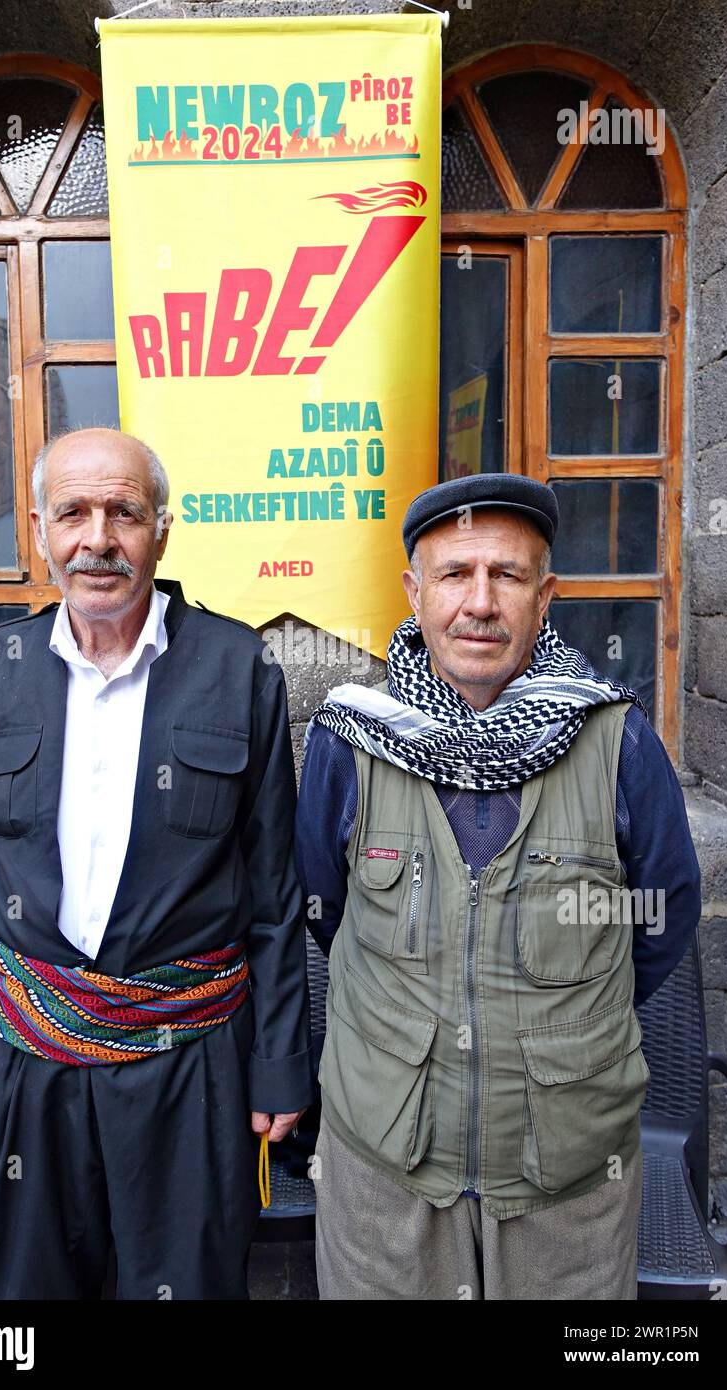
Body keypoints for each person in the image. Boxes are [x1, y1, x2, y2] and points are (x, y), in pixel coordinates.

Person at [0, 426, 314, 1300]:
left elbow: (277, 896)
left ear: (161, 530)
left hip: (190, 1063)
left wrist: (280, 1065)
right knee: (25, 1291)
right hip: (24, 1060)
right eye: (73, 513)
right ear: (40, 531)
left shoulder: (239, 669)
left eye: (124, 513)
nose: (99, 539)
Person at [295, 473, 700, 1301]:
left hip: (567, 1178)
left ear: (543, 597)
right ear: (415, 593)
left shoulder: (617, 739)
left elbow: (660, 919)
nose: (479, 603)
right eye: (454, 575)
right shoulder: (351, 739)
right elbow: (324, 909)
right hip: (387, 1171)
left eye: (507, 575)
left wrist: (555, 1022)